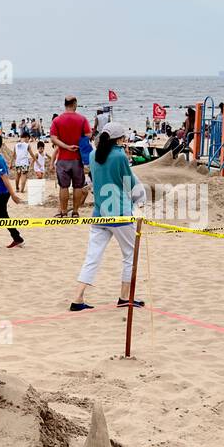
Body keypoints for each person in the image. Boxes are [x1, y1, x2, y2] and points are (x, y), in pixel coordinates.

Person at [71, 124, 141, 311]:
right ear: (119, 139)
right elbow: (129, 183)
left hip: (100, 211)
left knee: (92, 256)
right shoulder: (119, 156)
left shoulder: (94, 155)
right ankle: (124, 297)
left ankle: (77, 298)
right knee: (130, 256)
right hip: (119, 213)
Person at [49, 96, 92, 217]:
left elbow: (53, 138)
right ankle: (75, 212)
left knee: (63, 186)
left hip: (62, 158)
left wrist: (66, 146)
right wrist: (78, 140)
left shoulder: (57, 120)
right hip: (77, 158)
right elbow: (88, 135)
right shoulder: (82, 119)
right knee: (77, 186)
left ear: (65, 104)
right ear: (74, 104)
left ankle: (63, 211)